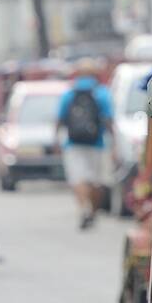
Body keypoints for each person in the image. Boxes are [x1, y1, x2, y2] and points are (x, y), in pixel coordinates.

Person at [55, 60, 113, 229]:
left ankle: (83, 210)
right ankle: (93, 211)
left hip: (73, 143)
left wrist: (56, 140)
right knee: (96, 181)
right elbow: (108, 120)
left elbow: (60, 119)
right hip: (98, 143)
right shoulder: (101, 93)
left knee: (78, 178)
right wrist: (113, 142)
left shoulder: (69, 94)